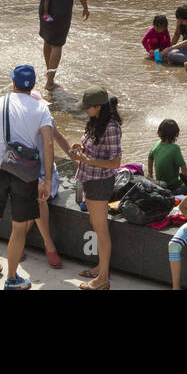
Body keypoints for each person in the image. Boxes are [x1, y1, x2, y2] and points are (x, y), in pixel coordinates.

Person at [0, 64, 54, 289]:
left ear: (13, 83)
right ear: (33, 85)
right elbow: (48, 142)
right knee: (18, 228)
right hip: (24, 174)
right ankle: (12, 278)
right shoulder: (41, 109)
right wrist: (46, 181)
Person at [71, 87, 122, 290]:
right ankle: (101, 268)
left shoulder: (111, 127)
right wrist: (82, 148)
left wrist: (86, 160)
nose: (85, 111)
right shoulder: (95, 123)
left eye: (87, 107)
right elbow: (97, 151)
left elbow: (115, 163)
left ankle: (103, 279)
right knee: (97, 225)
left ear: (98, 107)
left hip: (100, 183)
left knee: (101, 231)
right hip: (90, 180)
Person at [148, 119, 187, 192]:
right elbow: (184, 168)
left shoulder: (156, 144)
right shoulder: (175, 148)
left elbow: (150, 158)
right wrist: (186, 183)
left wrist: (151, 175)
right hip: (173, 185)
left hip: (160, 183)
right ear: (175, 135)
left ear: (160, 132)